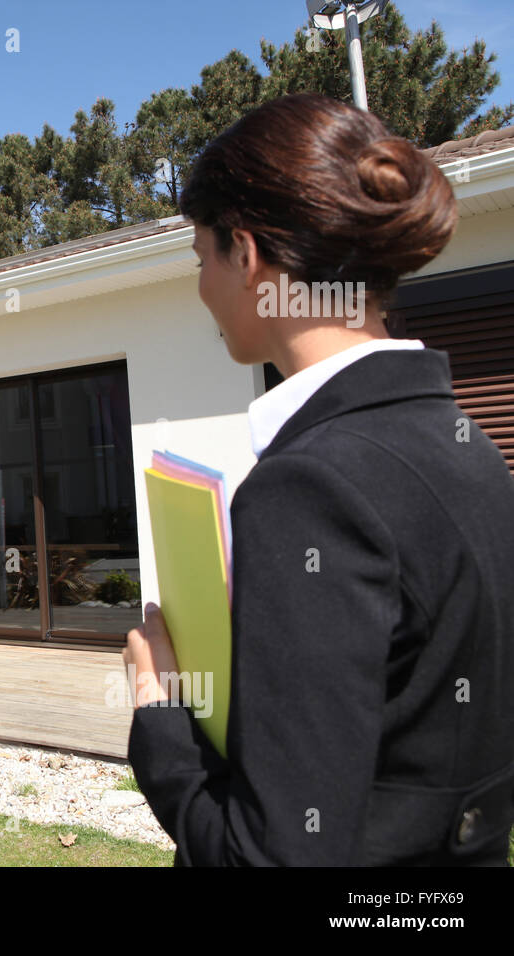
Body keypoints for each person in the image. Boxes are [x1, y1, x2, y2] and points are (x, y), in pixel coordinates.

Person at [124, 92, 514, 866]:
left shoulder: (308, 489)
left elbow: (270, 855)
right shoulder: (469, 447)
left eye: (201, 257)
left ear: (248, 253)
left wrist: (160, 712)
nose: (201, 287)